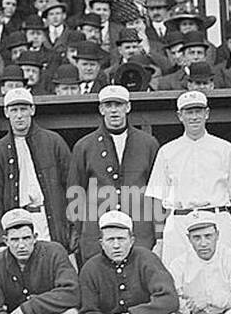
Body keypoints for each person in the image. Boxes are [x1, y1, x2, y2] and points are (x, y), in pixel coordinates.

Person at [145, 90, 231, 273]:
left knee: (226, 277)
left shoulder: (224, 148)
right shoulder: (167, 151)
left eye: (198, 111)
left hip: (218, 218)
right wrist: (159, 238)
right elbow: (158, 198)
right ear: (180, 116)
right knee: (179, 280)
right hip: (180, 221)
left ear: (207, 113)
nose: (194, 117)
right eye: (189, 112)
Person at [68, 84, 161, 263]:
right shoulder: (85, 146)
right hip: (97, 232)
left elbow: (158, 193)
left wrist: (159, 235)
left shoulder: (148, 144)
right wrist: (77, 237)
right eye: (108, 106)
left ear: (128, 107)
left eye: (118, 105)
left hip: (139, 230)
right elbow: (75, 194)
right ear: (101, 109)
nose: (113, 111)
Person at [0, 87, 73, 251]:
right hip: (17, 224)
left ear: (32, 110)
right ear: (6, 112)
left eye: (23, 109)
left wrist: (72, 231)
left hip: (49, 220)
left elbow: (72, 186)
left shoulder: (53, 142)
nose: (19, 115)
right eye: (14, 110)